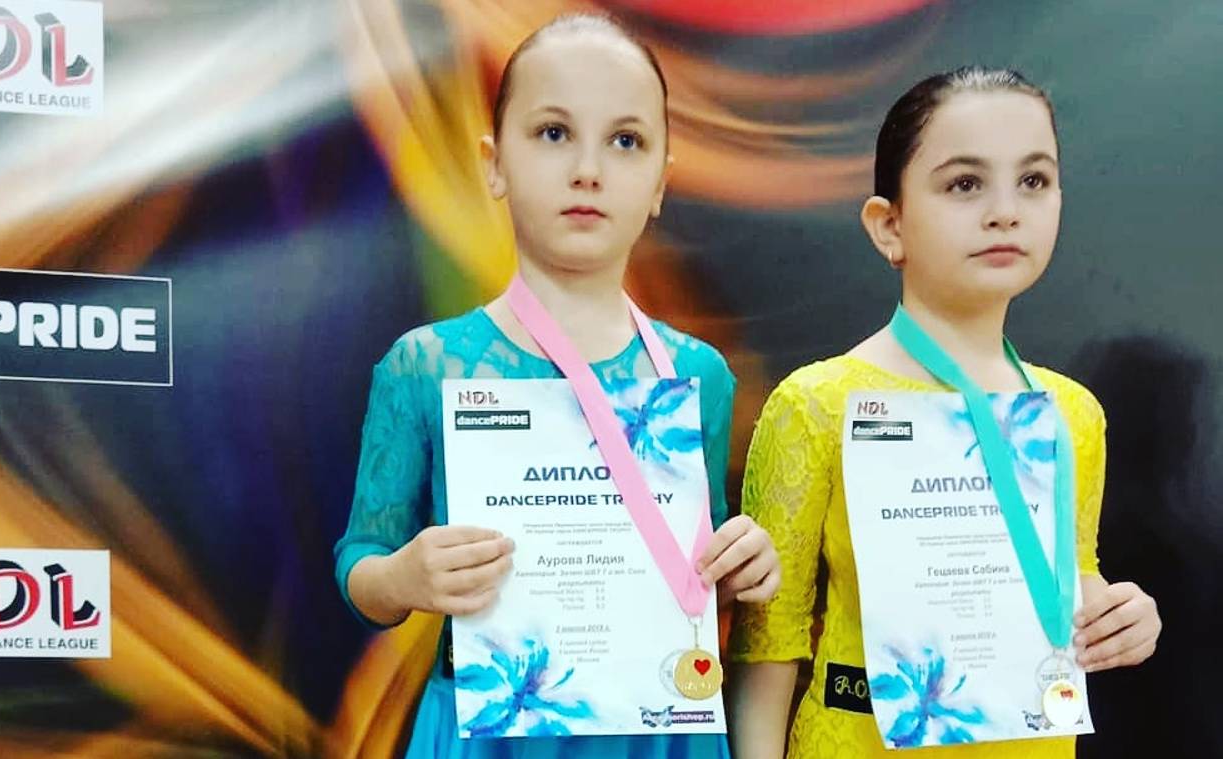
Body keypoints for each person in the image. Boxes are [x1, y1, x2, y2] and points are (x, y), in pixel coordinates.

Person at [335, 13, 781, 758]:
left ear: (660, 183)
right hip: (486, 731)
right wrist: (403, 578)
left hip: (653, 729)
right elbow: (361, 559)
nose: (588, 169)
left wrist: (737, 564)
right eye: (552, 133)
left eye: (626, 141)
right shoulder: (426, 364)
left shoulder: (697, 375)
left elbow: (692, 567)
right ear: (494, 164)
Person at [728, 67, 1161, 759]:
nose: (1005, 211)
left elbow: (1072, 589)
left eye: (1034, 180)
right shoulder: (816, 404)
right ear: (889, 224)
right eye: (965, 183)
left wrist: (1124, 619)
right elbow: (767, 651)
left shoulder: (1070, 414)